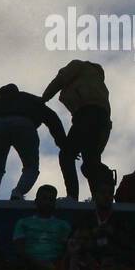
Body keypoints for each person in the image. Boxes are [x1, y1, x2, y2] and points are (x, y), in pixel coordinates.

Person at [0, 84, 66, 200]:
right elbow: (52, 117)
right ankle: (18, 193)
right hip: (24, 124)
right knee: (31, 166)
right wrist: (62, 142)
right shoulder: (28, 98)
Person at [41, 60, 112, 202]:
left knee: (66, 154)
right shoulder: (98, 84)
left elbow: (60, 80)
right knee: (91, 160)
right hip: (101, 120)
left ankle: (72, 196)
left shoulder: (77, 66)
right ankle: (98, 198)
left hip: (87, 114)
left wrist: (43, 99)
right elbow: (104, 123)